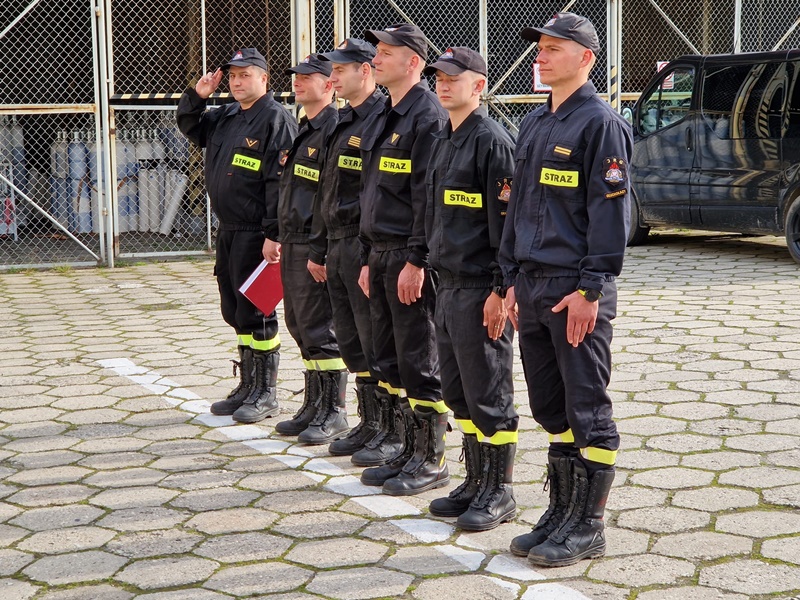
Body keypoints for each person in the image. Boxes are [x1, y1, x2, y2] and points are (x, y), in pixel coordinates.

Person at [500, 13, 632, 567]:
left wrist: (591, 289)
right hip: (530, 285)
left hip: (573, 289)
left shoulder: (600, 124)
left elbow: (611, 215)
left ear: (586, 58)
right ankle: (561, 512)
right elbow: (517, 208)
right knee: (551, 408)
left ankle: (589, 525)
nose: (542, 55)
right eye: (540, 47)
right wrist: (508, 279)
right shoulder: (534, 122)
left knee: (586, 408)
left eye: (555, 48)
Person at [423, 47, 519, 531]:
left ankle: (499, 490)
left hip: (481, 286)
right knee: (458, 391)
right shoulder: (443, 138)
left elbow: (506, 224)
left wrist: (501, 289)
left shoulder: (491, 142)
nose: (443, 85)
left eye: (453, 78)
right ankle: (476, 480)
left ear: (479, 86)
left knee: (489, 392)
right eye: (438, 77)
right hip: (447, 285)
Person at [177, 48, 297, 424]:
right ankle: (248, 385)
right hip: (229, 230)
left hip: (257, 232)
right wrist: (197, 96)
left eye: (245, 75)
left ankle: (266, 393)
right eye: (232, 76)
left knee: (258, 311)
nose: (237, 82)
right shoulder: (227, 116)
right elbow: (191, 127)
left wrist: (274, 232)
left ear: (264, 78)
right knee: (235, 311)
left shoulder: (275, 119)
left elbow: (281, 182)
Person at [357, 23, 449, 495]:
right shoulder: (386, 113)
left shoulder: (426, 116)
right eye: (377, 51)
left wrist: (417, 260)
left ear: (413, 62)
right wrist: (368, 256)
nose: (376, 59)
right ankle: (405, 448)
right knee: (387, 357)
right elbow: (372, 192)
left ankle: (431, 457)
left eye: (386, 53)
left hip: (408, 257)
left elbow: (426, 198)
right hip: (380, 253)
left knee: (419, 359)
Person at [307, 39, 389, 457]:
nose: (333, 77)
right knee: (352, 341)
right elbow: (327, 189)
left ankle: (389, 430)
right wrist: (319, 247)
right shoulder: (343, 121)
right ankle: (369, 422)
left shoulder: (381, 118)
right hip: (337, 243)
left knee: (375, 340)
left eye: (340, 70)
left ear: (366, 71)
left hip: (362, 243)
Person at [273, 55, 346, 444]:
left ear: (329, 85)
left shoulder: (332, 128)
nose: (298, 82)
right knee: (299, 324)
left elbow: (329, 196)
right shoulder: (305, 127)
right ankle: (314, 404)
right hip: (293, 239)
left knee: (320, 327)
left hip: (313, 241)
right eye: (296, 77)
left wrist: (322, 248)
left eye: (307, 77)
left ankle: (333, 411)